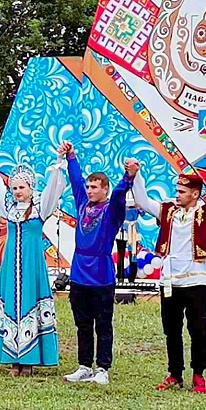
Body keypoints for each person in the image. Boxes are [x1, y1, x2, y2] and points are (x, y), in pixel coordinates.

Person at [126, 159, 206, 393]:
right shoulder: (168, 211)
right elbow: (144, 201)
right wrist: (136, 174)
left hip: (196, 280)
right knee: (171, 329)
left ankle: (198, 374)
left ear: (195, 194)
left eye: (181, 191)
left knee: (198, 329)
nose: (176, 195)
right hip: (169, 280)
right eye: (176, 191)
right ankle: (175, 373)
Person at [0, 153, 67, 376]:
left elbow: (54, 189)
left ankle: (30, 360)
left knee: (31, 304)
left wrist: (58, 165)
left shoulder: (40, 208)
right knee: (12, 306)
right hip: (11, 267)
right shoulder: (8, 209)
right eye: (14, 188)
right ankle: (13, 359)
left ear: (30, 188)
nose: (17, 192)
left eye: (22, 187)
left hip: (32, 265)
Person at [59, 141, 134, 386]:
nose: (89, 190)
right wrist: (71, 156)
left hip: (101, 274)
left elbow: (121, 196)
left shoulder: (111, 211)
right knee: (82, 323)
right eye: (89, 186)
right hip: (79, 272)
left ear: (105, 190)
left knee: (103, 323)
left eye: (94, 187)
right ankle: (84, 365)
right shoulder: (82, 203)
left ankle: (102, 368)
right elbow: (75, 179)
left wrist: (128, 177)